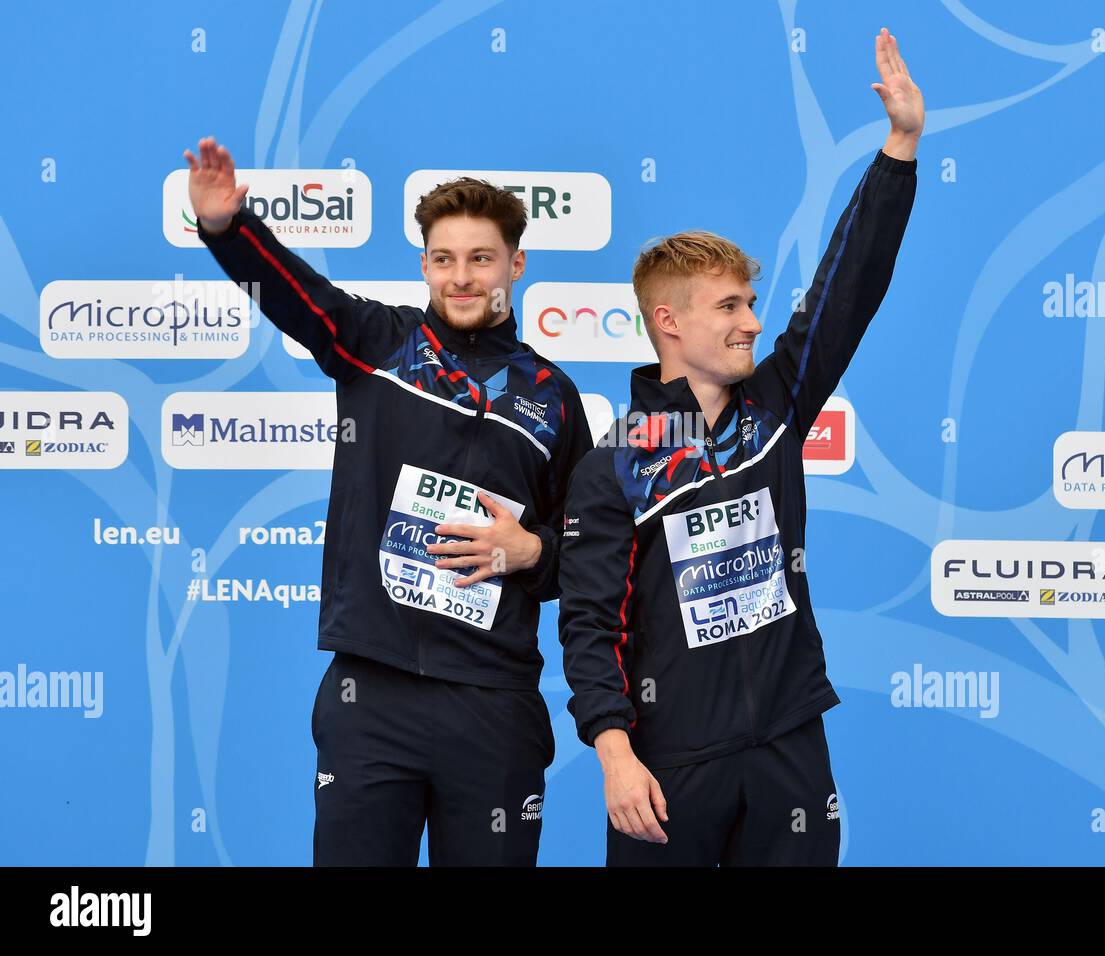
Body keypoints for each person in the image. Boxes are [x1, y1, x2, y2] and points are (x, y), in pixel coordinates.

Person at [557, 27, 923, 865]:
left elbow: (849, 284)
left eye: (751, 302)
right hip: (668, 765)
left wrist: (898, 150)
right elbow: (589, 625)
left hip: (790, 747)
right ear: (669, 321)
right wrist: (613, 752)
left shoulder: (779, 398)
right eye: (728, 307)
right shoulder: (613, 465)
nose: (753, 321)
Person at [184, 137, 593, 865]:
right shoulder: (378, 343)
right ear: (424, 264)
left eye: (481, 259)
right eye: (443, 259)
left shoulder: (554, 399)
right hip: (369, 698)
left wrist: (532, 551)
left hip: (493, 703)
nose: (461, 278)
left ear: (516, 265)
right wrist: (229, 228)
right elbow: (297, 296)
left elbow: (587, 558)